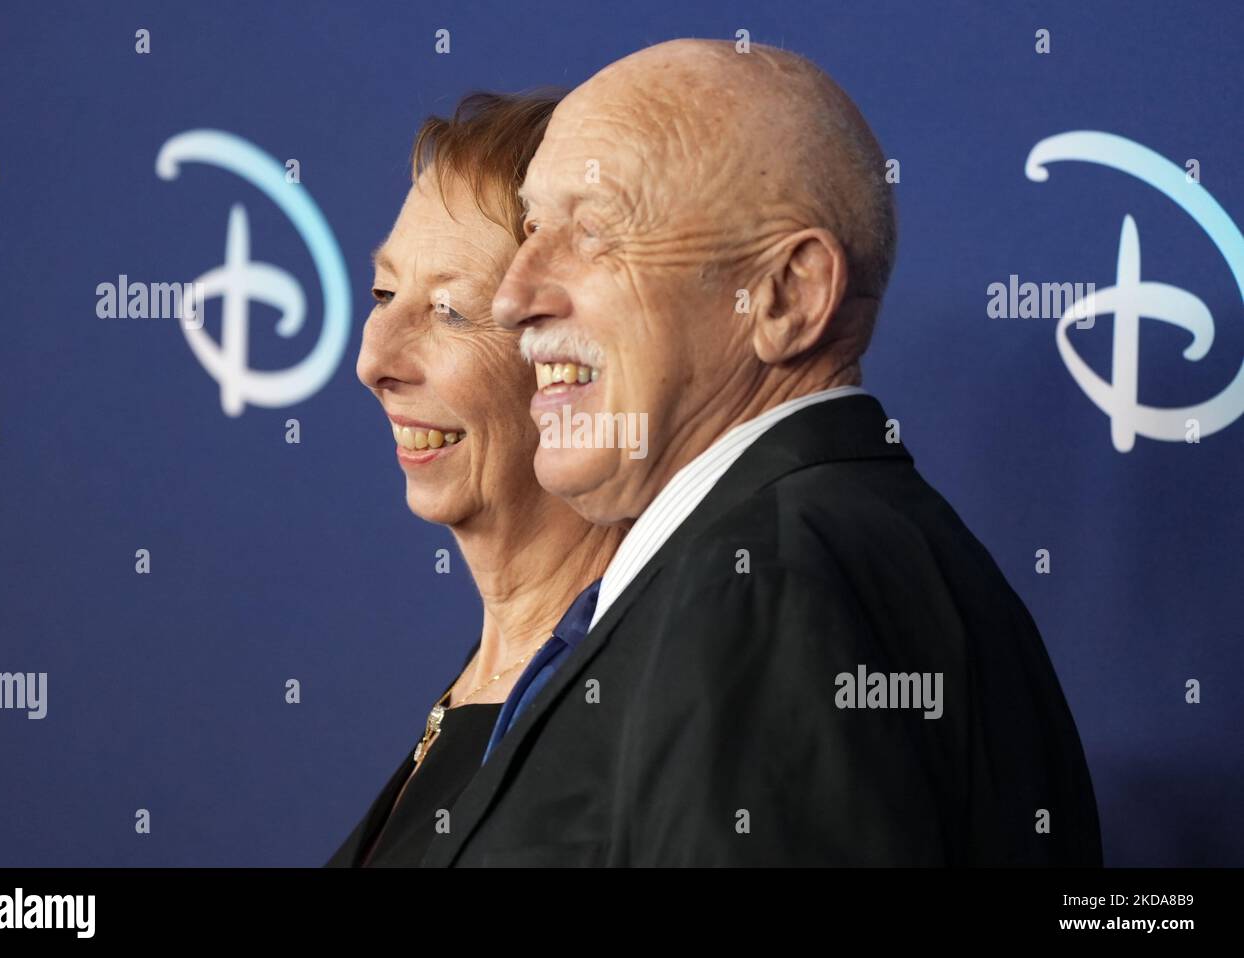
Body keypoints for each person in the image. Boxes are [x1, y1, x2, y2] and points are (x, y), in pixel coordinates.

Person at [421, 39, 1103, 866]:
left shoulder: (763, 585)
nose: (513, 294)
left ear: (787, 297)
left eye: (594, 231)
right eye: (532, 229)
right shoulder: (841, 552)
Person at [326, 91, 622, 867]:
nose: (372, 362)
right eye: (384, 294)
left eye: (453, 312)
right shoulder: (482, 677)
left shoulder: (639, 702)